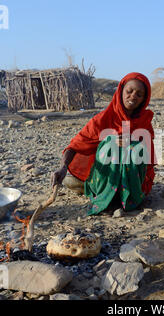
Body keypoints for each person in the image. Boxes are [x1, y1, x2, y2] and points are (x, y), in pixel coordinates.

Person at [51, 72, 155, 215]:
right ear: (120, 91)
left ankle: (130, 197)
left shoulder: (144, 122)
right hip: (104, 179)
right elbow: (75, 145)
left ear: (144, 99)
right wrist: (63, 168)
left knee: (134, 147)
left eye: (139, 94)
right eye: (129, 91)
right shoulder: (102, 119)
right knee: (110, 143)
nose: (133, 96)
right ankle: (107, 197)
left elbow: (148, 158)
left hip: (133, 181)